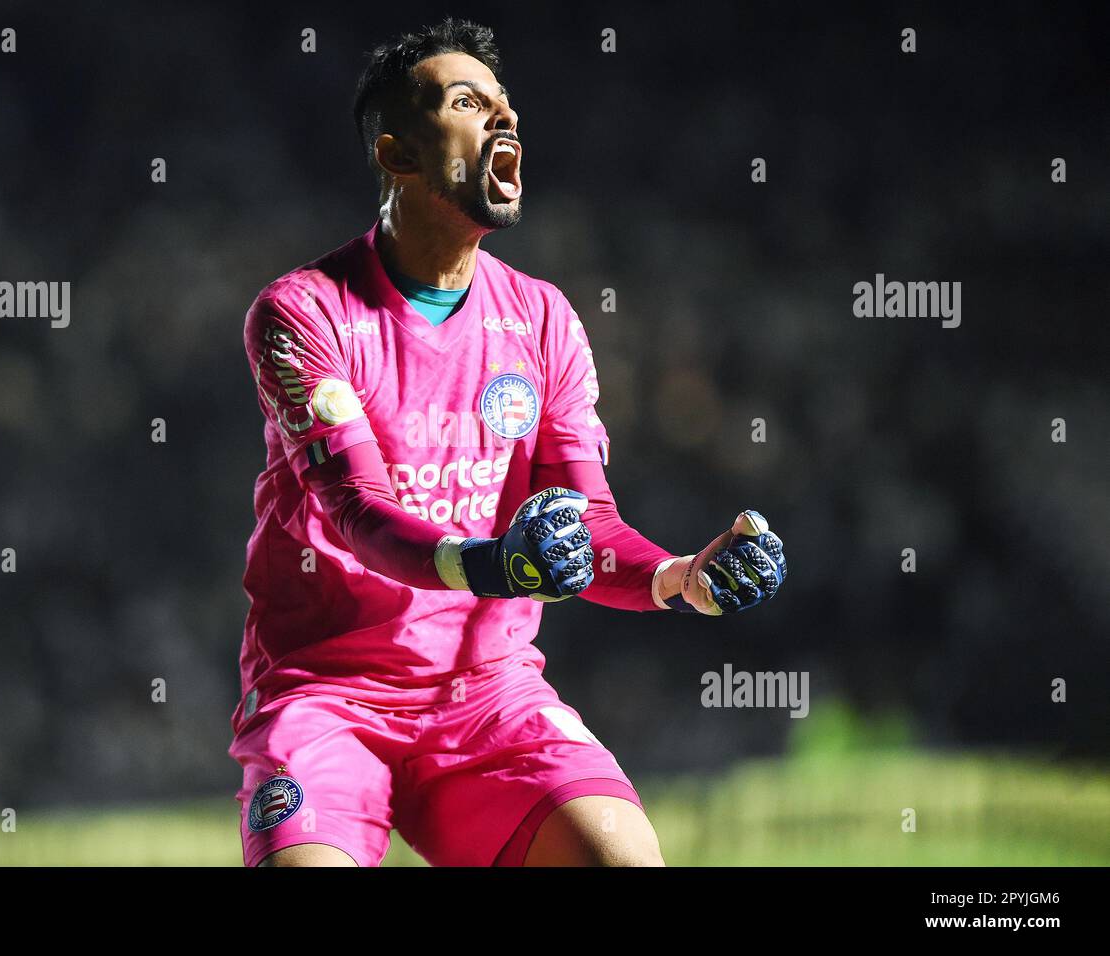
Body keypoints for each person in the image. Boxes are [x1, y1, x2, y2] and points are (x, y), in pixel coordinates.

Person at [231, 18, 787, 867]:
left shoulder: (543, 319)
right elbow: (358, 513)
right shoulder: (304, 313)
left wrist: (681, 578)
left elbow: (585, 521)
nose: (504, 120)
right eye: (466, 102)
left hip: (490, 697)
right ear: (398, 155)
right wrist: (495, 563)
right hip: (329, 698)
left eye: (506, 105)